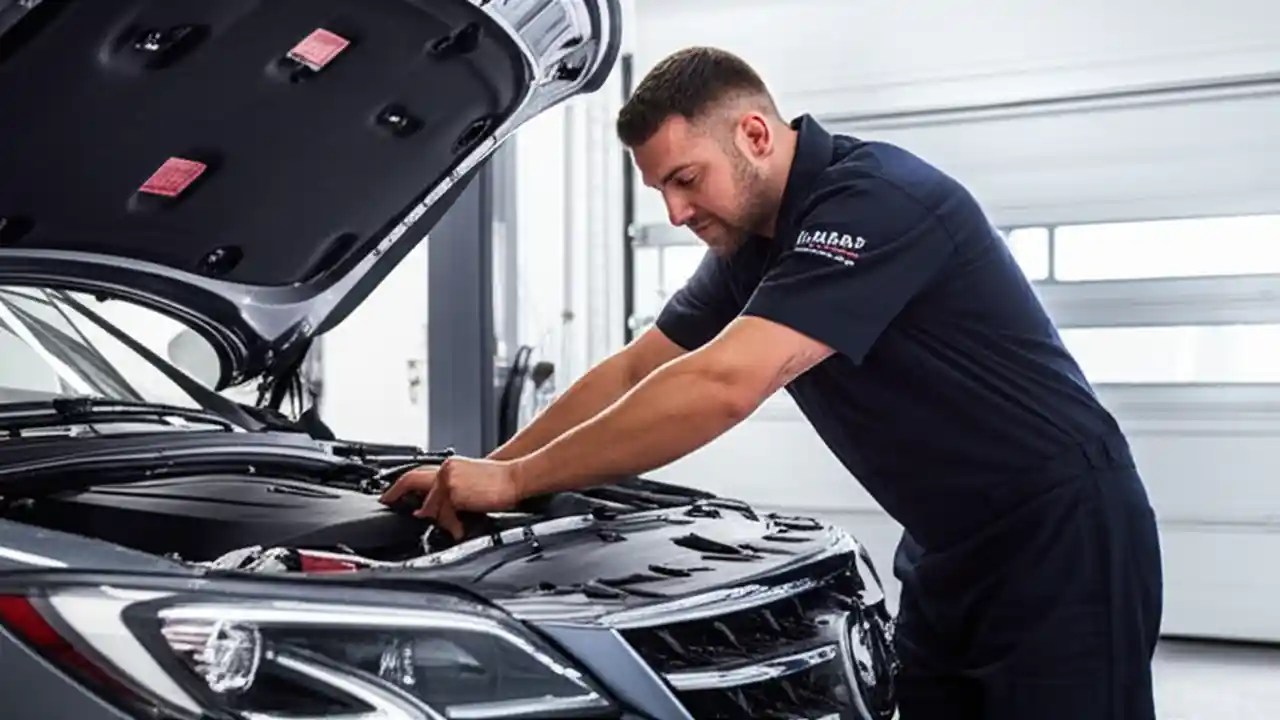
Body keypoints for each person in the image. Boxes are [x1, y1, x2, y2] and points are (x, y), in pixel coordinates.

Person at [381, 46, 1164, 719]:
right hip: (949, 544)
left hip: (1061, 534)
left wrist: (517, 478)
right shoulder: (752, 245)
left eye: (686, 179)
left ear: (754, 134)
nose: (677, 210)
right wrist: (480, 474)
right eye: (660, 191)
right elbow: (636, 367)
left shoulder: (874, 199)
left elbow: (725, 382)